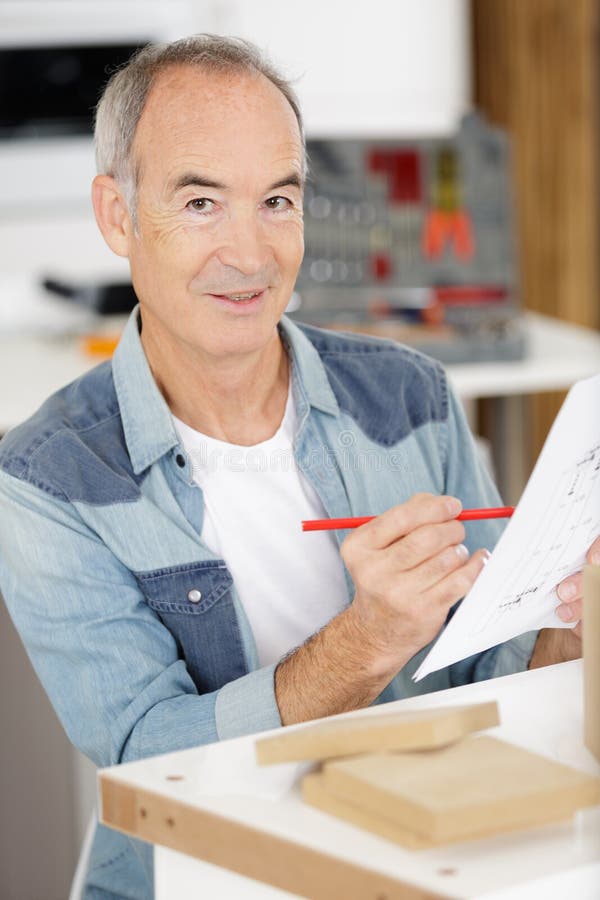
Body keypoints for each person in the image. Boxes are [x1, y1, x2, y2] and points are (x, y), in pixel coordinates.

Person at [0, 34, 596, 900]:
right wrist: (367, 641)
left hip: (424, 852)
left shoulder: (412, 397)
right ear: (117, 215)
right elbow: (146, 764)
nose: (251, 253)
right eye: (201, 203)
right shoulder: (47, 478)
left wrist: (570, 624)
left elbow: (498, 689)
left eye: (277, 200)